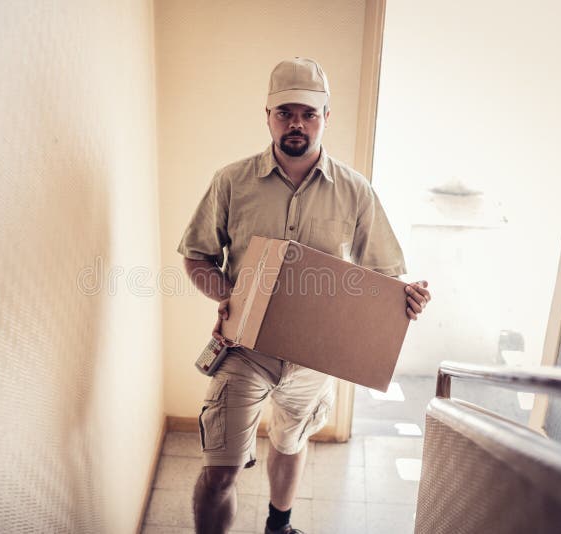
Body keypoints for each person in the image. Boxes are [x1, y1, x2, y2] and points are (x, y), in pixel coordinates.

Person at [177, 57, 431, 534]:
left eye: (309, 113)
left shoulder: (356, 192)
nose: (297, 123)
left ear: (326, 117)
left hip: (316, 357)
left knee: (291, 442)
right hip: (244, 350)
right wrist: (228, 298)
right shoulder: (231, 182)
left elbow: (384, 277)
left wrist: (406, 298)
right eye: (285, 112)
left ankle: (279, 525)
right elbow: (196, 256)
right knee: (219, 471)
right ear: (268, 115)